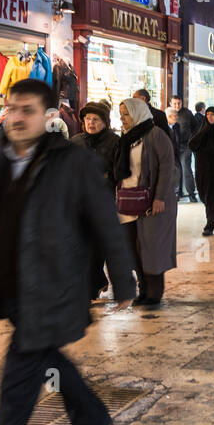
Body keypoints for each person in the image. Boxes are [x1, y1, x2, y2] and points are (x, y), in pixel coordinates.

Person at [0, 78, 135, 425]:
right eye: (12, 108)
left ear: (49, 116)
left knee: (19, 378)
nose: (17, 117)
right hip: (7, 285)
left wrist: (124, 280)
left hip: (51, 286)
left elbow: (104, 222)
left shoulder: (72, 162)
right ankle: (92, 418)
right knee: (46, 357)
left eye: (28, 110)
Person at [115, 97, 178, 305]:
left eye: (126, 114)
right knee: (132, 248)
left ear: (138, 113)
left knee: (151, 248)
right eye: (121, 114)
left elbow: (167, 168)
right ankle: (142, 289)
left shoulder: (155, 135)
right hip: (128, 201)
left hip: (151, 201)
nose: (123, 118)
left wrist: (160, 197)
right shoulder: (126, 138)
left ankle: (154, 293)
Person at [73, 101, 121, 299]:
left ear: (104, 122)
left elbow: (120, 170)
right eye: (87, 119)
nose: (90, 123)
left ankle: (94, 283)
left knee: (97, 244)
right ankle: (95, 280)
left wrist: (108, 177)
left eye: (95, 119)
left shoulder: (114, 142)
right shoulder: (76, 141)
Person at [188, 105, 214, 236]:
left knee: (211, 196)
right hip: (201, 168)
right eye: (208, 115)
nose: (210, 117)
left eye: (213, 115)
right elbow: (192, 144)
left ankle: (209, 223)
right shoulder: (201, 130)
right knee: (204, 195)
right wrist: (205, 130)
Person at [170, 95, 198, 202]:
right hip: (173, 146)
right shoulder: (168, 113)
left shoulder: (187, 113)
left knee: (186, 169)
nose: (177, 105)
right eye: (175, 103)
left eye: (179, 103)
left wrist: (192, 140)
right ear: (170, 103)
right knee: (176, 170)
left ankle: (191, 193)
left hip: (185, 145)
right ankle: (177, 192)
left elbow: (195, 127)